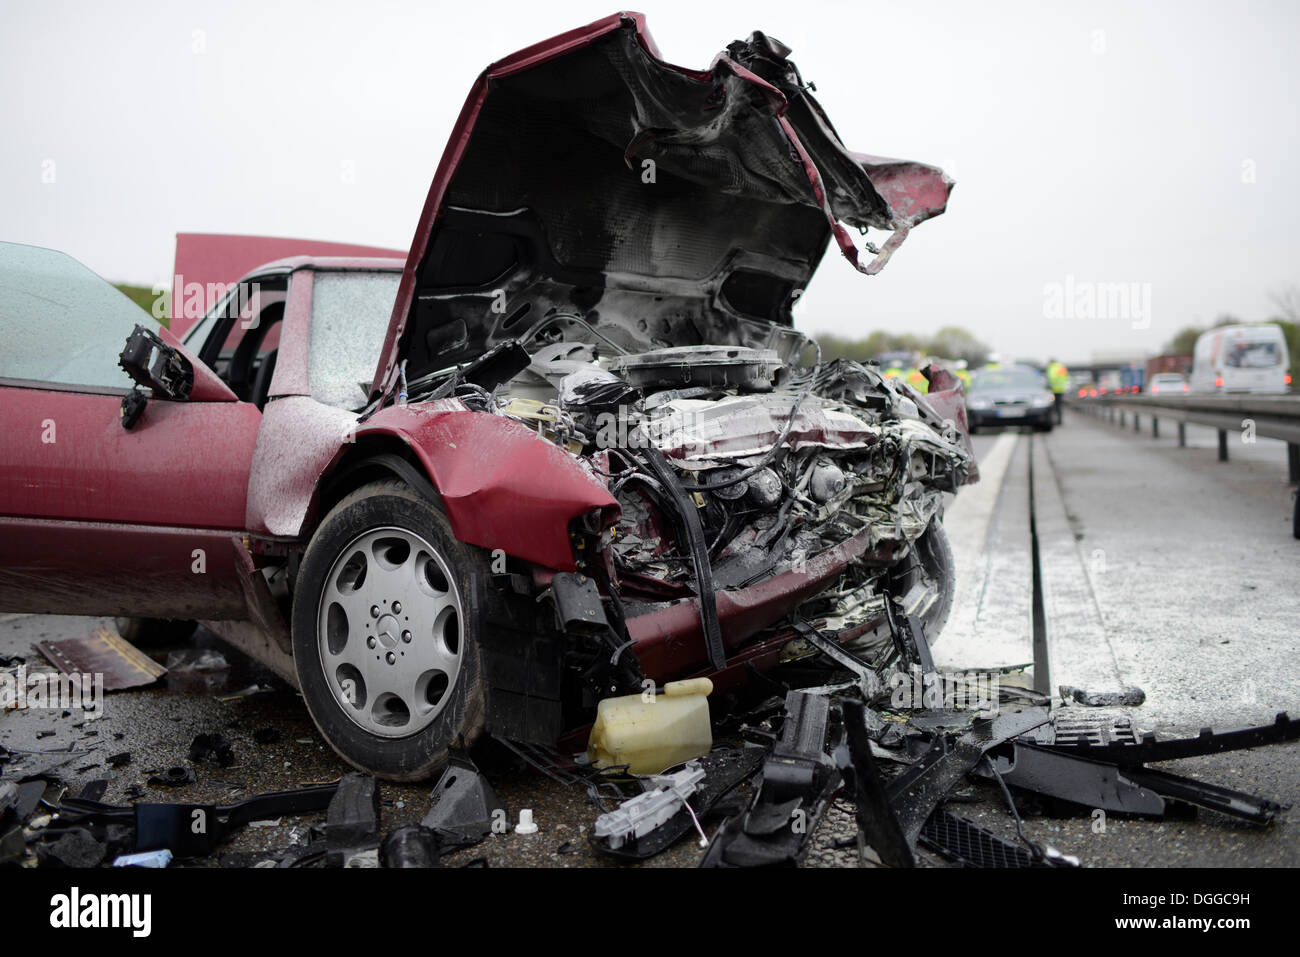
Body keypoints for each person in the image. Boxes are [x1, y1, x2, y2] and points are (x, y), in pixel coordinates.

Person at [1047, 358, 1069, 424]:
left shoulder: (1051, 368)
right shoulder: (1061, 367)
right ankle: (1059, 420)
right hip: (1061, 389)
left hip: (1053, 390)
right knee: (1059, 405)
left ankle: (1053, 419)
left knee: (1052, 405)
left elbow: (1051, 378)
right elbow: (1066, 377)